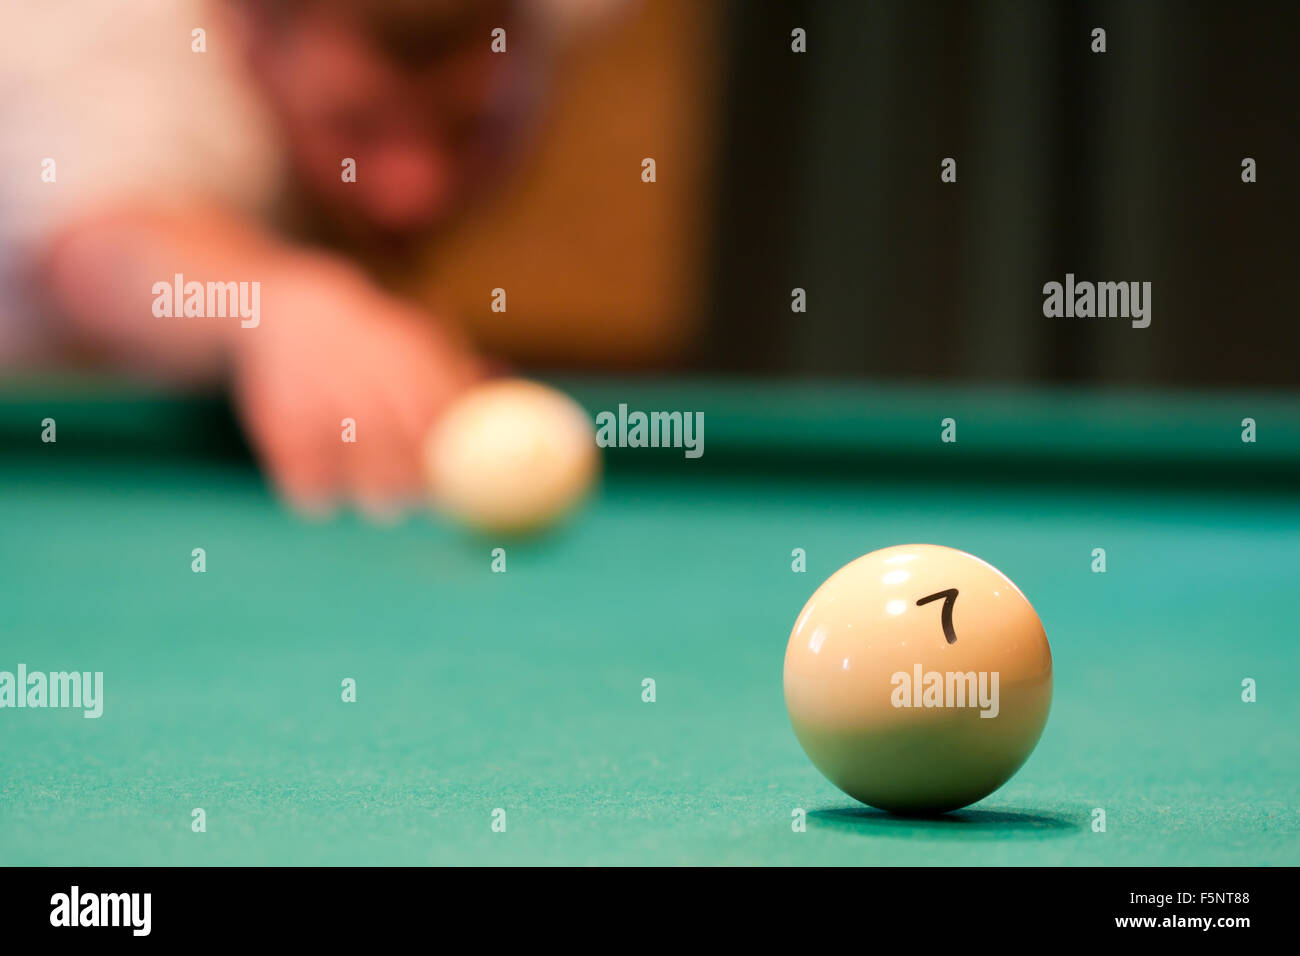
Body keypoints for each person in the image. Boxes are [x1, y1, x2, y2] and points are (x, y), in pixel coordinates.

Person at [0, 0, 621, 516]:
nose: (413, 191)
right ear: (249, 35)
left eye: (464, 127)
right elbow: (108, 256)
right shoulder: (119, 43)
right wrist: (275, 305)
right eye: (357, 125)